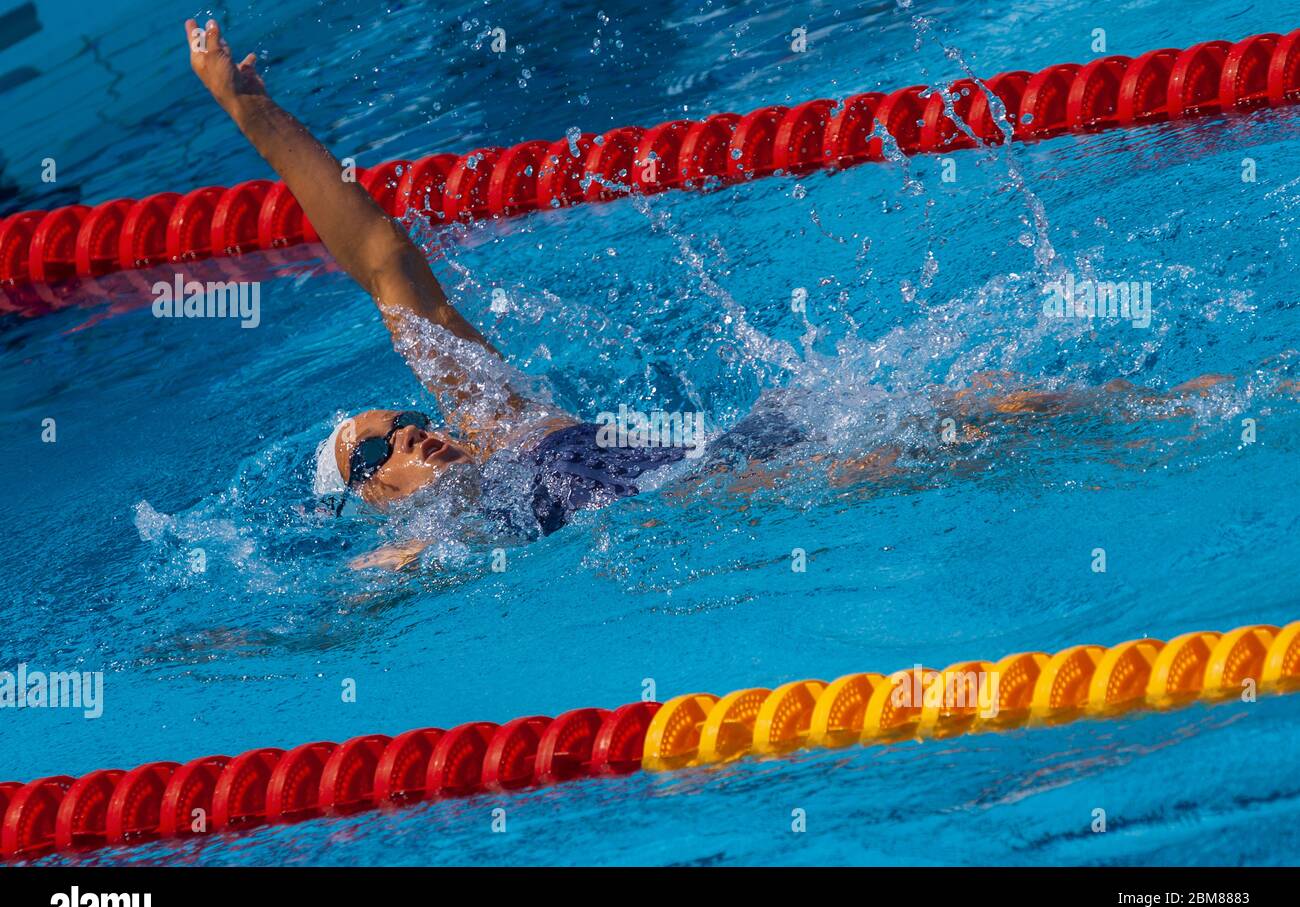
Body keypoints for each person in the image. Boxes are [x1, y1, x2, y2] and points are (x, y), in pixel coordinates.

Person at [184, 19, 1264, 571]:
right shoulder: (420, 544)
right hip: (741, 507)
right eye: (380, 447)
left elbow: (382, 260)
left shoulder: (501, 423)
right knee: (979, 424)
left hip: (749, 446)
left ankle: (1234, 408)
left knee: (991, 393)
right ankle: (1229, 429)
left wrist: (254, 116)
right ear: (366, 497)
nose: (413, 434)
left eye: (403, 418)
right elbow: (341, 622)